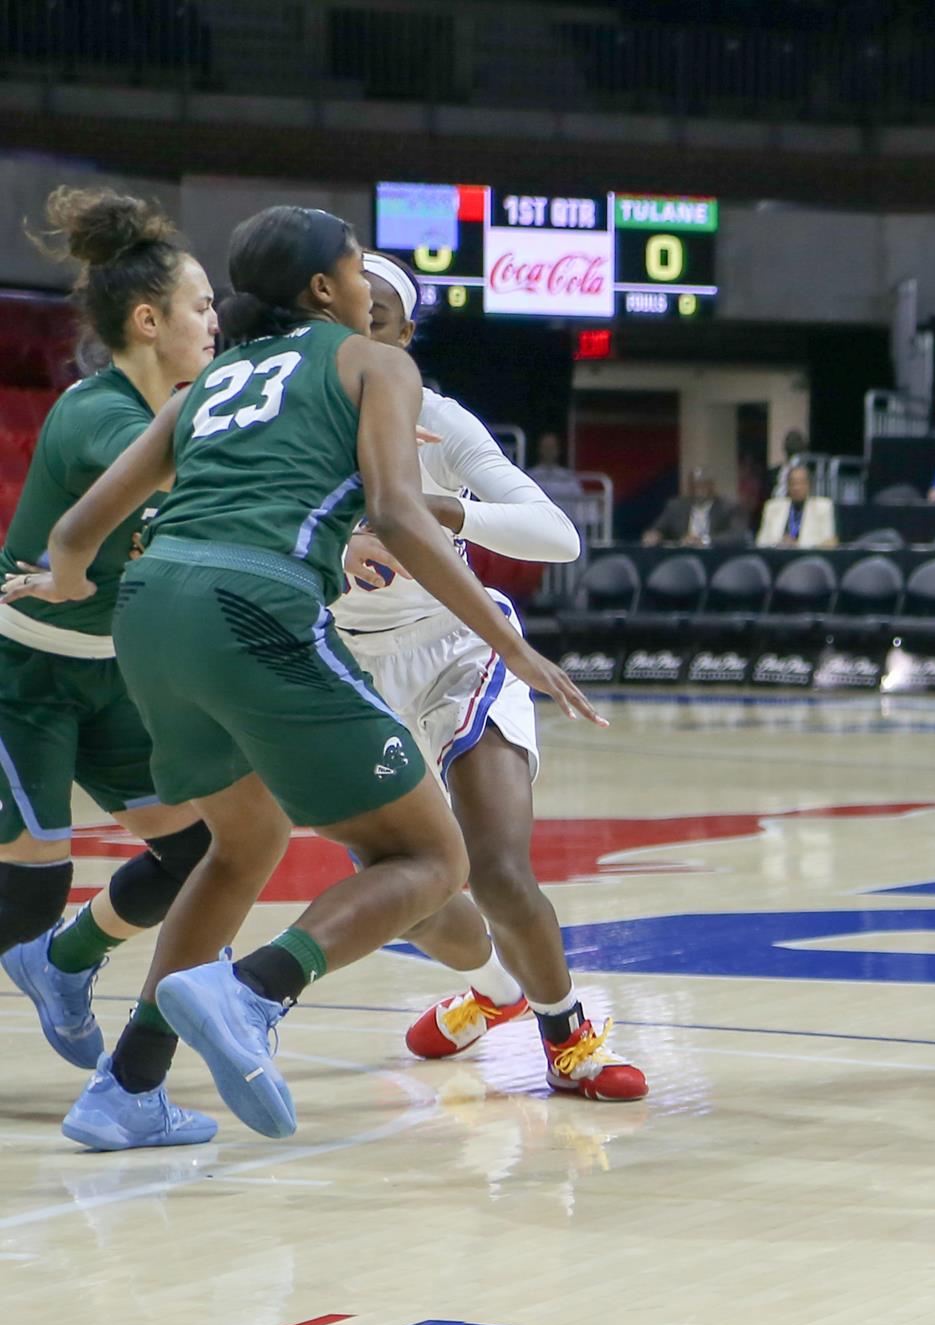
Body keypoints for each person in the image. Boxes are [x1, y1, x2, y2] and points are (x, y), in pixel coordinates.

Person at [2, 205, 603, 1148]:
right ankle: (255, 992)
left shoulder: (216, 378)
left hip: (150, 618)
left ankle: (126, 1088)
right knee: (435, 860)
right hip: (257, 609)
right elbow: (404, 521)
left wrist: (68, 579)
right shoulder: (373, 364)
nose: (368, 283)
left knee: (239, 845)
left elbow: (78, 528)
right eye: (358, 265)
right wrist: (512, 639)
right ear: (326, 287)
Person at [337, 251, 645, 1100]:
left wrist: (444, 509)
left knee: (499, 868)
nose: (361, 334)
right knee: (407, 887)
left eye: (379, 319)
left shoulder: (441, 421)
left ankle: (567, 1034)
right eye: (345, 318)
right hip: (349, 670)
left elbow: (560, 537)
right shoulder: (295, 429)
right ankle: (499, 993)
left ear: (404, 337)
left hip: (459, 649)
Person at [0, 190, 221, 1146]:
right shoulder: (100, 415)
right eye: (202, 306)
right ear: (148, 321)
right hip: (23, 676)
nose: (216, 322)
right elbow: (167, 474)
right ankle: (47, 943)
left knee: (202, 849)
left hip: (111, 677)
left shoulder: (177, 412)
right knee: (34, 874)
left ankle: (68, 962)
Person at [642, 467, 745, 548]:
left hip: (714, 557)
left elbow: (737, 536)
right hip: (683, 556)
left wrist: (704, 541)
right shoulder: (675, 506)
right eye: (694, 485)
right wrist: (653, 535)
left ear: (712, 486)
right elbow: (658, 528)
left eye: (702, 485)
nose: (698, 490)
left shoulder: (728, 507)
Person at [757, 463, 837, 549]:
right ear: (787, 486)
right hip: (777, 555)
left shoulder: (823, 507)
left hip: (808, 557)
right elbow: (761, 542)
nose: (796, 487)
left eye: (801, 483)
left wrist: (797, 545)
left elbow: (829, 542)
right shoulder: (772, 507)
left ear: (809, 485)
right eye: (792, 483)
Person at [526, 431, 588, 527]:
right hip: (537, 526)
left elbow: (580, 506)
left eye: (552, 448)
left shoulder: (569, 477)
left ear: (558, 450)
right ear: (539, 449)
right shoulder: (530, 476)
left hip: (565, 526)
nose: (549, 451)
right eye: (546, 447)